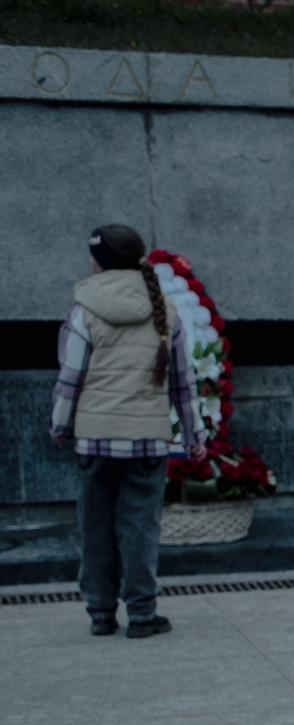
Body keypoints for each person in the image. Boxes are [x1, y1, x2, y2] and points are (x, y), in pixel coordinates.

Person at [49, 225, 208, 639]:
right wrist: (194, 438)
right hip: (147, 441)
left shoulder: (83, 310)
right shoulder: (165, 311)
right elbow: (182, 384)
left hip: (95, 439)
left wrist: (61, 426)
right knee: (140, 528)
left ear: (98, 262)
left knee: (95, 526)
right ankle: (142, 613)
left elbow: (71, 380)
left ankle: (101, 614)